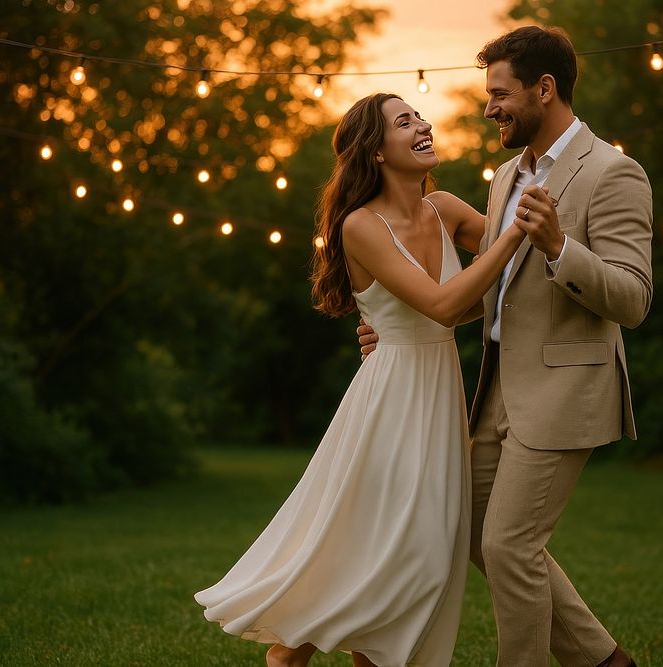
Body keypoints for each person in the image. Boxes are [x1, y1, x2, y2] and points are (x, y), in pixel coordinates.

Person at [194, 93, 527, 667]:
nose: (422, 125)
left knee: (419, 549)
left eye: (419, 117)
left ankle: (316, 654)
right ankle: (288, 652)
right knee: (391, 544)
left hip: (439, 392)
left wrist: (523, 235)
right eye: (405, 122)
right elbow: (445, 304)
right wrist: (515, 234)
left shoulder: (446, 209)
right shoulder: (360, 226)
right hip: (391, 398)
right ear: (375, 151)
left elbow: (485, 291)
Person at [358, 26, 653, 667]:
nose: (489, 107)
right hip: (495, 396)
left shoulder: (612, 172)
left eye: (499, 94)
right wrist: (402, 324)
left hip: (563, 389)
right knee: (470, 532)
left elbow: (633, 300)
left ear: (544, 90)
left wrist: (560, 248)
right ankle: (606, 662)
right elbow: (494, 291)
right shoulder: (505, 178)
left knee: (511, 547)